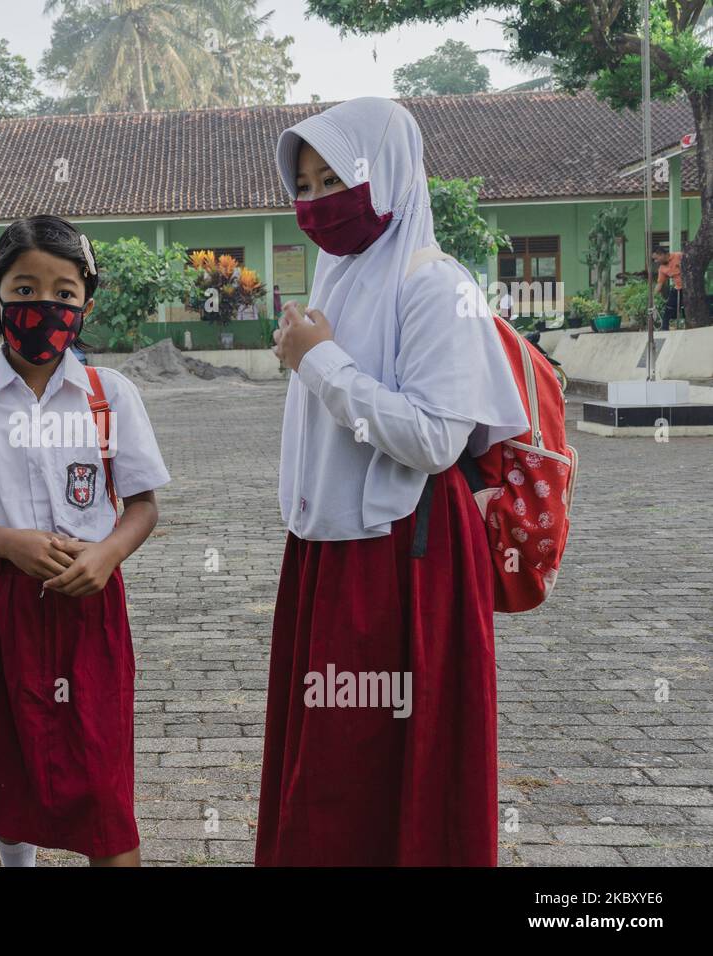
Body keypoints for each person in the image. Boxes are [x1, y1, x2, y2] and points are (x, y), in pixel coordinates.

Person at [259, 97, 529, 866]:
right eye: (302, 184)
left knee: (382, 765)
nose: (315, 200)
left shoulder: (436, 284)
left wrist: (320, 361)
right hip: (327, 554)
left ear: (388, 173)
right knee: (331, 769)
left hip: (403, 553)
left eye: (333, 177)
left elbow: (437, 438)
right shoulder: (338, 279)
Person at [0, 214, 170, 867]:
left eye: (63, 292)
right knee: (7, 758)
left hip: (89, 607)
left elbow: (142, 504)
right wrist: (9, 544)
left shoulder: (112, 398)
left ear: (86, 300)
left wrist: (108, 553)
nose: (43, 307)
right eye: (24, 291)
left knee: (102, 782)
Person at [654, 249, 683, 330]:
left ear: (662, 255)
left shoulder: (678, 256)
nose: (656, 261)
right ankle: (665, 331)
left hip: (690, 288)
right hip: (678, 289)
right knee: (668, 311)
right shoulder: (662, 268)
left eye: (656, 258)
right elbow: (660, 283)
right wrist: (653, 297)